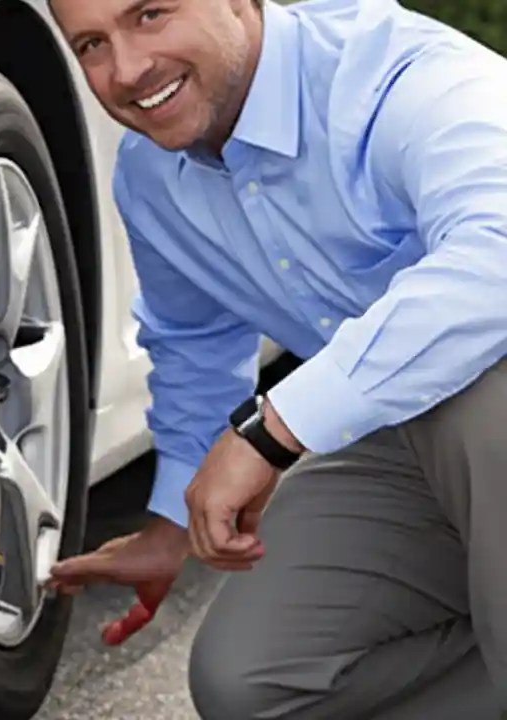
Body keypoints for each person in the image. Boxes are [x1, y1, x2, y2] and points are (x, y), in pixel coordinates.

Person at [44, 0, 507, 716]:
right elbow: (193, 340)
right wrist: (175, 523)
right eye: (92, 45)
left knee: (485, 394)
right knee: (252, 683)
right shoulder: (151, 174)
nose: (128, 70)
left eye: (151, 14)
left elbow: (497, 257)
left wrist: (274, 429)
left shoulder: (404, 79)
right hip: (407, 441)